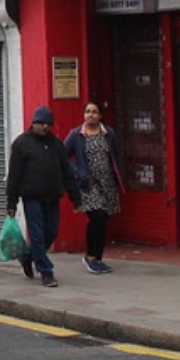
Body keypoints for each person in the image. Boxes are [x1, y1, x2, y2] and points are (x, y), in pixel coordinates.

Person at [5, 105, 80, 288]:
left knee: (51, 232)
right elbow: (14, 175)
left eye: (48, 123)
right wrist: (12, 203)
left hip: (52, 196)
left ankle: (28, 256)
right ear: (33, 123)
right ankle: (46, 272)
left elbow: (67, 172)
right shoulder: (21, 144)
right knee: (37, 235)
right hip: (32, 197)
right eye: (41, 123)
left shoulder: (56, 144)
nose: (45, 127)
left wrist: (75, 197)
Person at [64, 101, 123, 274]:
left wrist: (117, 175)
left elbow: (115, 155)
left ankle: (98, 258)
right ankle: (90, 256)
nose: (91, 115)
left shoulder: (108, 133)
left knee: (103, 218)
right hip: (88, 184)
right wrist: (77, 172)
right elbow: (63, 155)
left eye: (94, 112)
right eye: (88, 111)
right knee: (96, 216)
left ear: (100, 115)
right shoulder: (76, 135)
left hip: (107, 183)